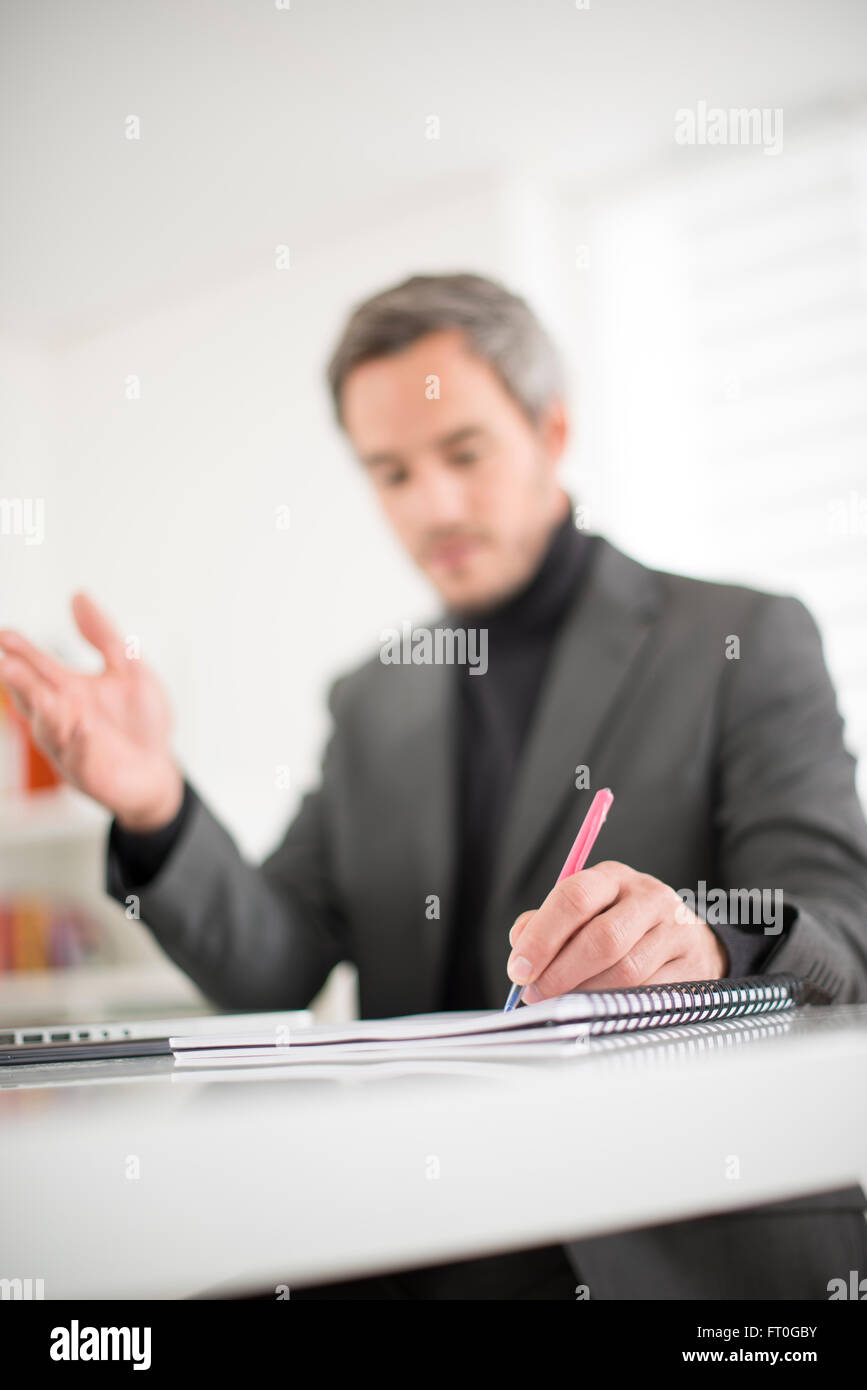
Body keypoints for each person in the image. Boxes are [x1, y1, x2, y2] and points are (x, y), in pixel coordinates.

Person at [3, 272, 867, 1299]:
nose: (433, 506)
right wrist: (154, 802)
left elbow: (842, 932)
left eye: (463, 454)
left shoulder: (742, 640)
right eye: (390, 473)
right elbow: (273, 966)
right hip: (420, 1246)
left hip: (676, 1258)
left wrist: (706, 939)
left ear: (550, 431)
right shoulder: (371, 699)